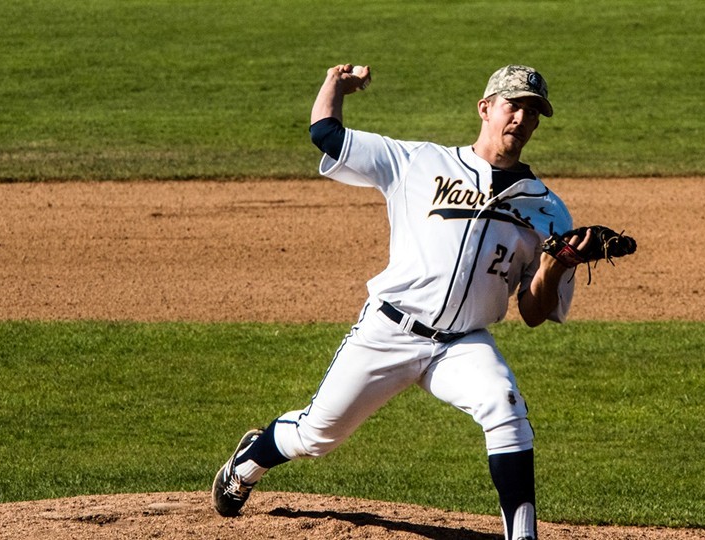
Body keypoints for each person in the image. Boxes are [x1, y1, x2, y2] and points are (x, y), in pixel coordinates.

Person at [212, 63, 596, 540]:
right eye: (512, 104)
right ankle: (248, 463)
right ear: (485, 108)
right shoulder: (419, 162)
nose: (522, 117)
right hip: (388, 333)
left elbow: (534, 313)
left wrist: (557, 264)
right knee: (316, 436)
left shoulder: (549, 210)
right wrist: (335, 84)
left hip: (462, 344)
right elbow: (326, 134)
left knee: (504, 405)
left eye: (532, 110)